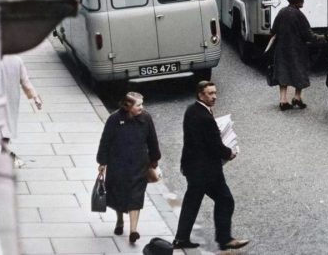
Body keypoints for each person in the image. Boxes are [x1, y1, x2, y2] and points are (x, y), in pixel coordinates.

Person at [173, 82, 249, 251]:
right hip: (207, 171)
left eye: (215, 93)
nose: (214, 96)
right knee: (225, 200)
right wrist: (229, 153)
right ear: (201, 95)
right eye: (210, 94)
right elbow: (215, 145)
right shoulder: (205, 118)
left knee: (192, 202)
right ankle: (225, 239)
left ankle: (181, 238)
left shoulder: (192, 110)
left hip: (192, 167)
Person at [96, 92, 160, 245]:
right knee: (119, 194)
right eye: (139, 105)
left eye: (142, 104)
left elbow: (152, 139)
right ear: (128, 106)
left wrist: (154, 159)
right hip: (118, 164)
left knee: (135, 196)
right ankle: (119, 221)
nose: (142, 107)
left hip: (139, 164)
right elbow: (105, 141)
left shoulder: (146, 118)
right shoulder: (114, 119)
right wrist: (102, 162)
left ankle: (133, 230)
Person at [270, 0, 324, 110]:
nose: (303, 2)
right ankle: (297, 98)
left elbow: (273, 30)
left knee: (283, 72)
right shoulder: (299, 15)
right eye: (302, 0)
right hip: (297, 50)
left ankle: (283, 100)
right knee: (300, 71)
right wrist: (321, 38)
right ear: (297, 1)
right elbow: (308, 35)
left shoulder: (282, 12)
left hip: (282, 49)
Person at [0, 56, 42, 168]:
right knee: (6, 127)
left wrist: (35, 96)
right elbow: (25, 81)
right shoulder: (16, 60)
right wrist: (35, 97)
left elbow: (24, 80)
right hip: (10, 101)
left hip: (7, 101)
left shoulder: (16, 61)